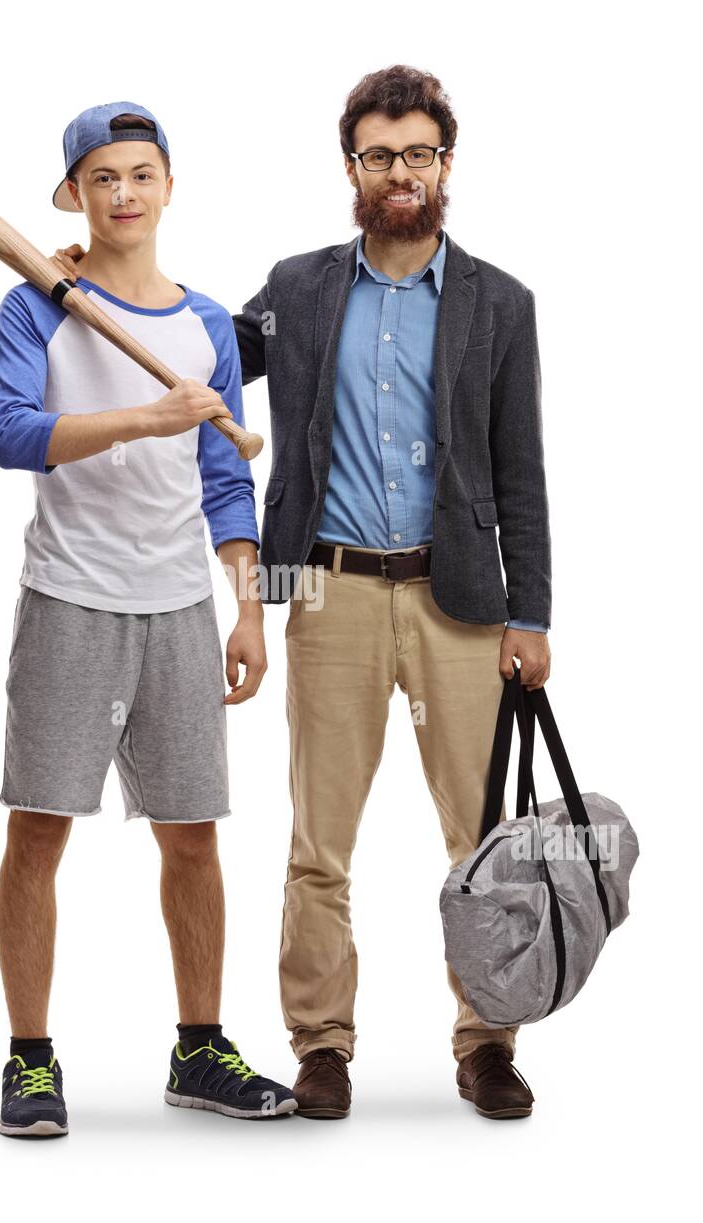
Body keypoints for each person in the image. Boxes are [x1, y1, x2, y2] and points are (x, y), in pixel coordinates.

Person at [54, 68, 552, 1123]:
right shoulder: (302, 288)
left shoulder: (500, 303)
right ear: (351, 169)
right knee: (317, 842)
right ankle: (320, 1044)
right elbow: (190, 357)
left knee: (479, 842)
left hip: (460, 602)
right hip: (321, 591)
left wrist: (531, 615)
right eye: (379, 155)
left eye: (417, 153)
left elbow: (521, 471)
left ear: (444, 165)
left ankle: (485, 1043)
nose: (399, 172)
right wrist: (89, 284)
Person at [0, 101, 297, 1136]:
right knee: (38, 827)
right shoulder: (36, 305)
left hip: (177, 605)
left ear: (170, 185)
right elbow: (11, 435)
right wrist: (145, 415)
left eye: (141, 174)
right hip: (69, 596)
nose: (123, 194)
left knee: (193, 837)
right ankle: (29, 1060)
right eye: (102, 177)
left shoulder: (207, 325)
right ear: (74, 193)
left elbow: (224, 482)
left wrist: (247, 612)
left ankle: (199, 1049)